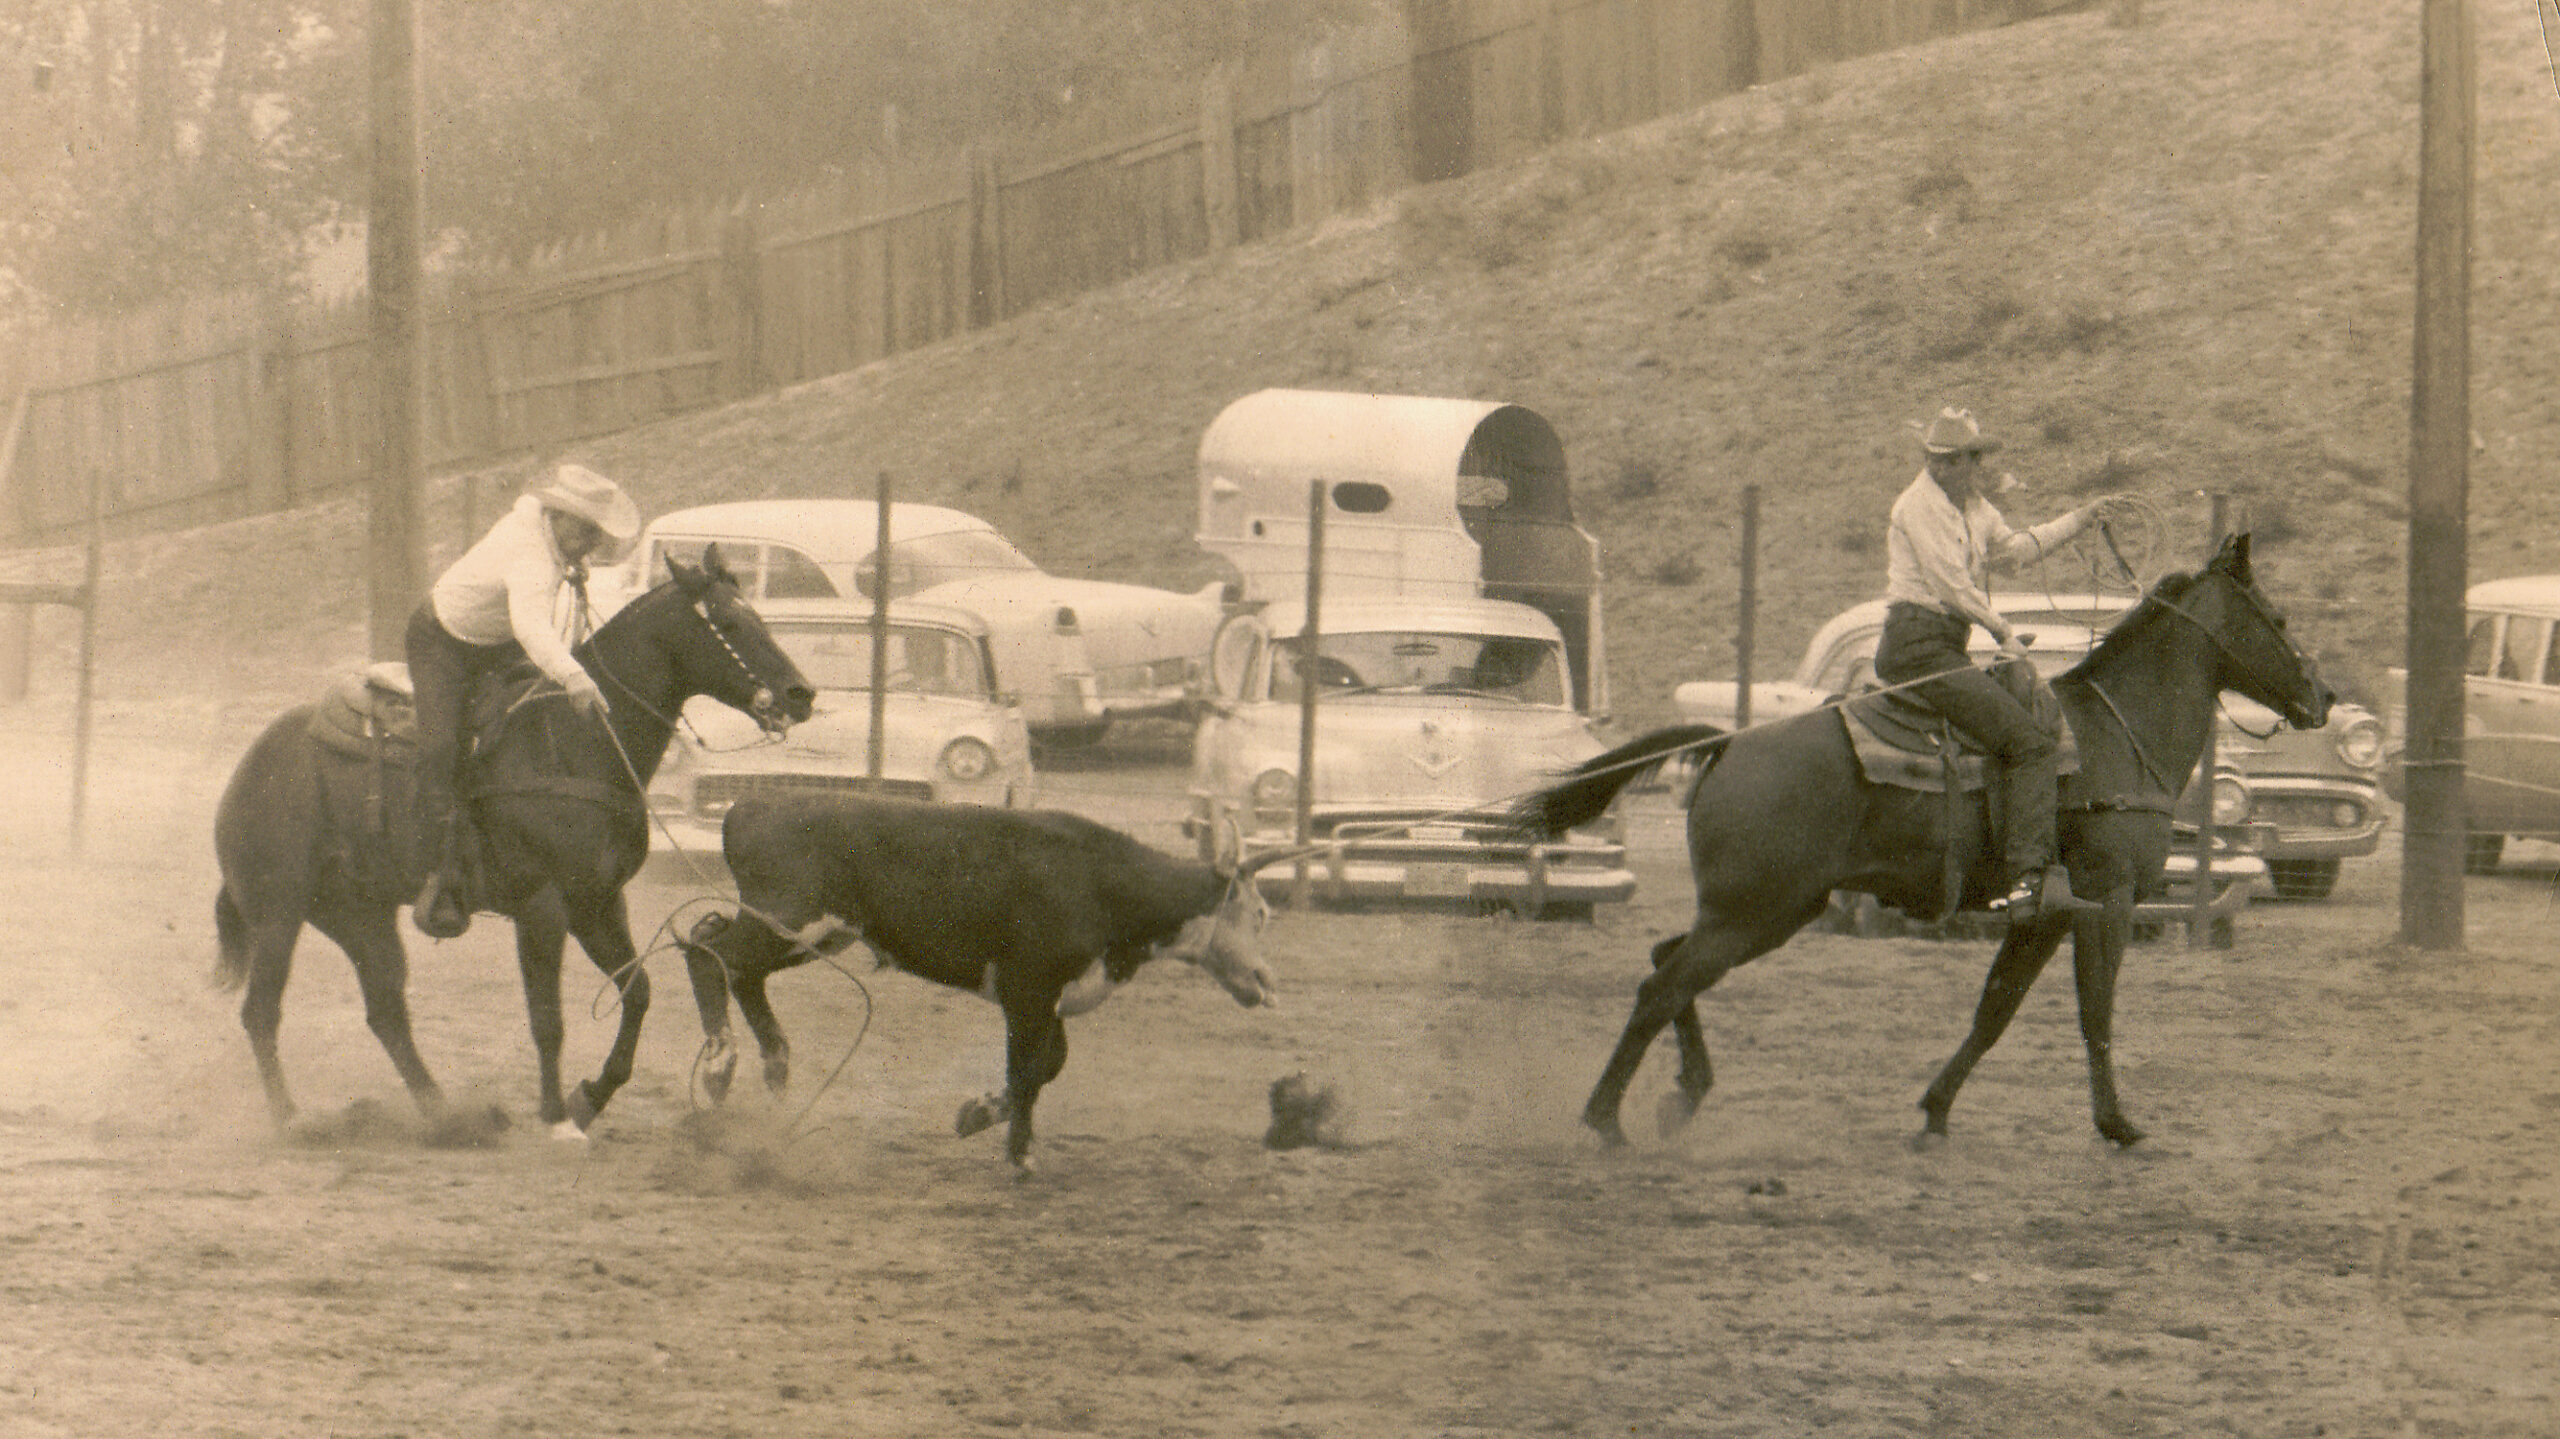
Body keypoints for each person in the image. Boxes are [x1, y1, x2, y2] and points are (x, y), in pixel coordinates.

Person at [1873, 408, 2128, 918]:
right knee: (2031, 744)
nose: (1978, 468)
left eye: (1979, 458)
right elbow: (1949, 584)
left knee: (2024, 722)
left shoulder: (1973, 507)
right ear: (1940, 463)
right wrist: (2003, 630)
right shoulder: (1918, 506)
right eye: (1970, 459)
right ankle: (2028, 879)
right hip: (1916, 647)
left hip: (1939, 646)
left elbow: (2012, 552)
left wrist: (2079, 520)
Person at [406, 463, 641, 938]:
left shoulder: (548, 534)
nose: (591, 542)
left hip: (494, 642)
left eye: (596, 534)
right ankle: (437, 867)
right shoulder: (530, 553)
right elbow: (531, 626)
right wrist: (574, 676)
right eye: (586, 531)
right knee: (439, 748)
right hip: (443, 644)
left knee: (529, 721)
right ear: (559, 517)